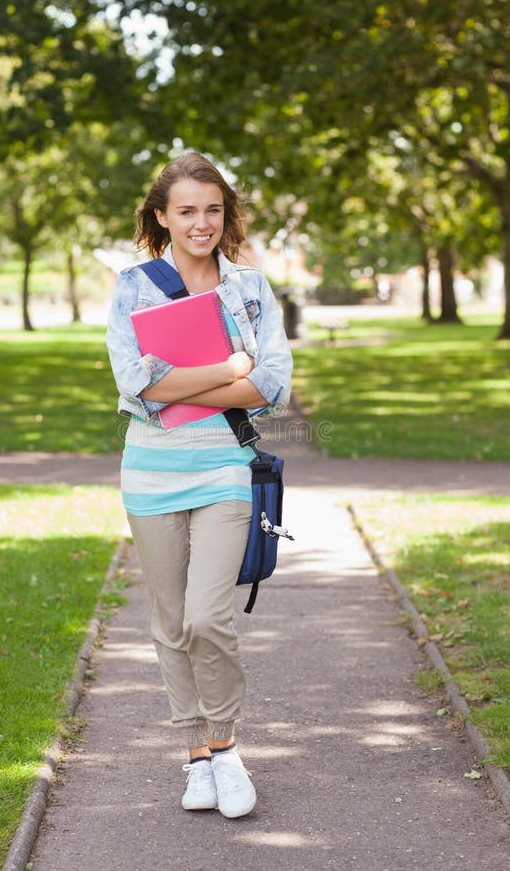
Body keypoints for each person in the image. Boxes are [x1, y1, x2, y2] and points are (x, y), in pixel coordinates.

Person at [106, 152, 292, 819]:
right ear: (161, 216)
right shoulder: (133, 287)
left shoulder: (251, 289)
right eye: (186, 210)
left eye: (212, 209)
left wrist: (185, 380)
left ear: (226, 215)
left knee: (207, 615)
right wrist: (227, 366)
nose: (201, 222)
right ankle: (195, 758)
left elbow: (270, 384)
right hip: (149, 471)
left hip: (223, 468)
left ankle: (227, 747)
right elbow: (136, 382)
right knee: (169, 623)